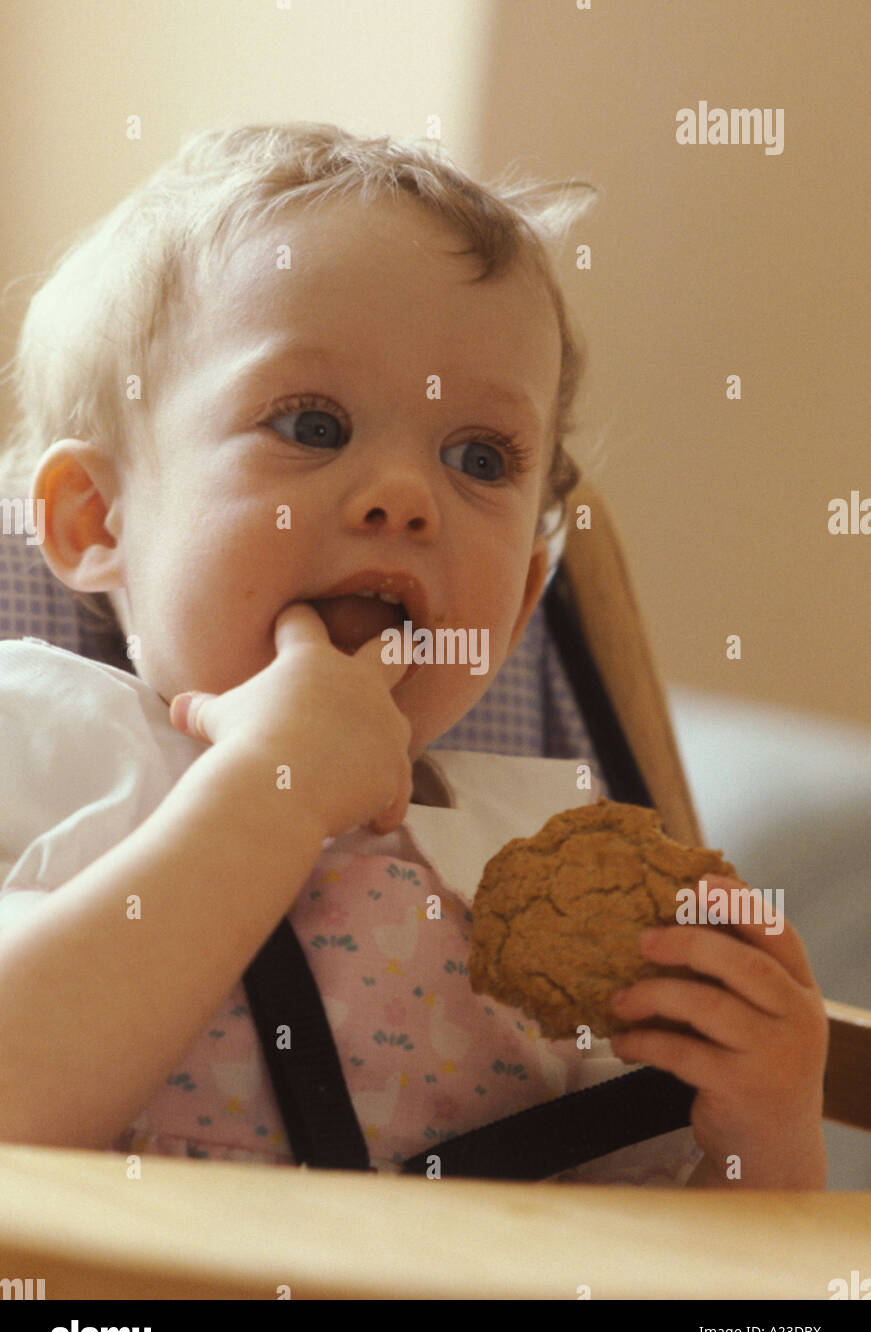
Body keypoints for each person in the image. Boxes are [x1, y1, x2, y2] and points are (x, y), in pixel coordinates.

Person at [0, 124, 827, 1188]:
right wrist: (272, 791)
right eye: (310, 423)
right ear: (96, 518)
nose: (403, 497)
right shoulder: (44, 742)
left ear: (525, 593)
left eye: (478, 457)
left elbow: (710, 1306)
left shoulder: (530, 868)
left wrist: (760, 1130)